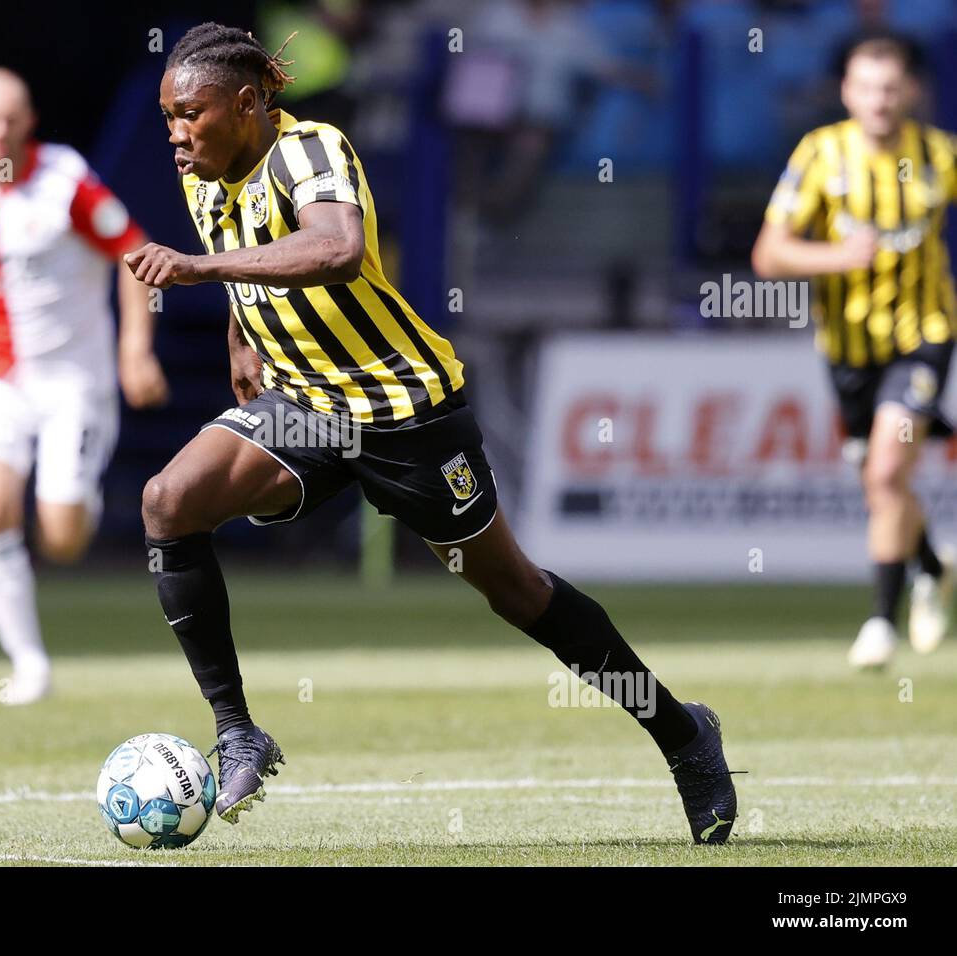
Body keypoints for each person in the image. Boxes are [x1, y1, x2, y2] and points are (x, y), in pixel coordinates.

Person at [124, 23, 738, 844]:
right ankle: (239, 729)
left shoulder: (310, 150)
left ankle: (684, 736)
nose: (175, 133)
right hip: (307, 406)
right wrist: (242, 335)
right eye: (167, 117)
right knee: (169, 500)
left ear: (247, 105)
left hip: (405, 411)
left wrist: (203, 275)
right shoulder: (204, 176)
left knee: (517, 593)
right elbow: (245, 254)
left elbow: (336, 248)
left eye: (189, 114)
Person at [0, 68, 168, 704]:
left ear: (30, 121)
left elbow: (137, 258)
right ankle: (28, 663)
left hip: (75, 382)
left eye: (10, 117)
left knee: (63, 536)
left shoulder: (66, 181)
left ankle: (77, 502)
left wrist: (136, 352)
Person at [752, 34, 957, 668]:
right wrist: (837, 257)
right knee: (881, 486)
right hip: (846, 350)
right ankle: (929, 570)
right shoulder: (821, 154)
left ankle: (879, 625)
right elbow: (768, 254)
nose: (879, 100)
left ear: (912, 91)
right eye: (866, 87)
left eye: (891, 88)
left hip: (922, 335)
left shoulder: (939, 156)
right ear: (846, 91)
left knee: (887, 474)